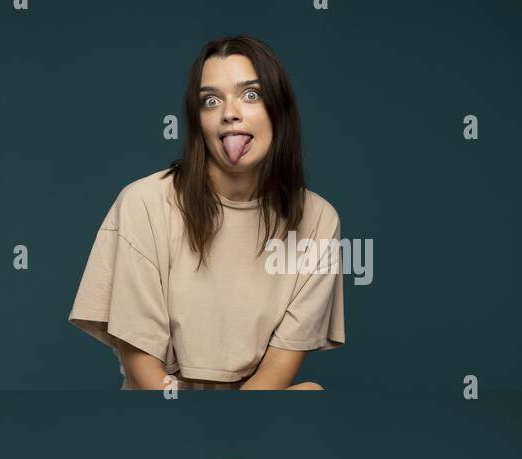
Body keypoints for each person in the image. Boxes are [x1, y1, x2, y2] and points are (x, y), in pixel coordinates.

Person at [69, 35, 343, 390]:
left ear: (280, 109)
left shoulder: (319, 220)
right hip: (165, 409)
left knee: (310, 394)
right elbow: (144, 368)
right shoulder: (144, 203)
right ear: (199, 122)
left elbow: (278, 367)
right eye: (211, 101)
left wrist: (235, 436)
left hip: (255, 410)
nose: (229, 113)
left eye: (251, 94)